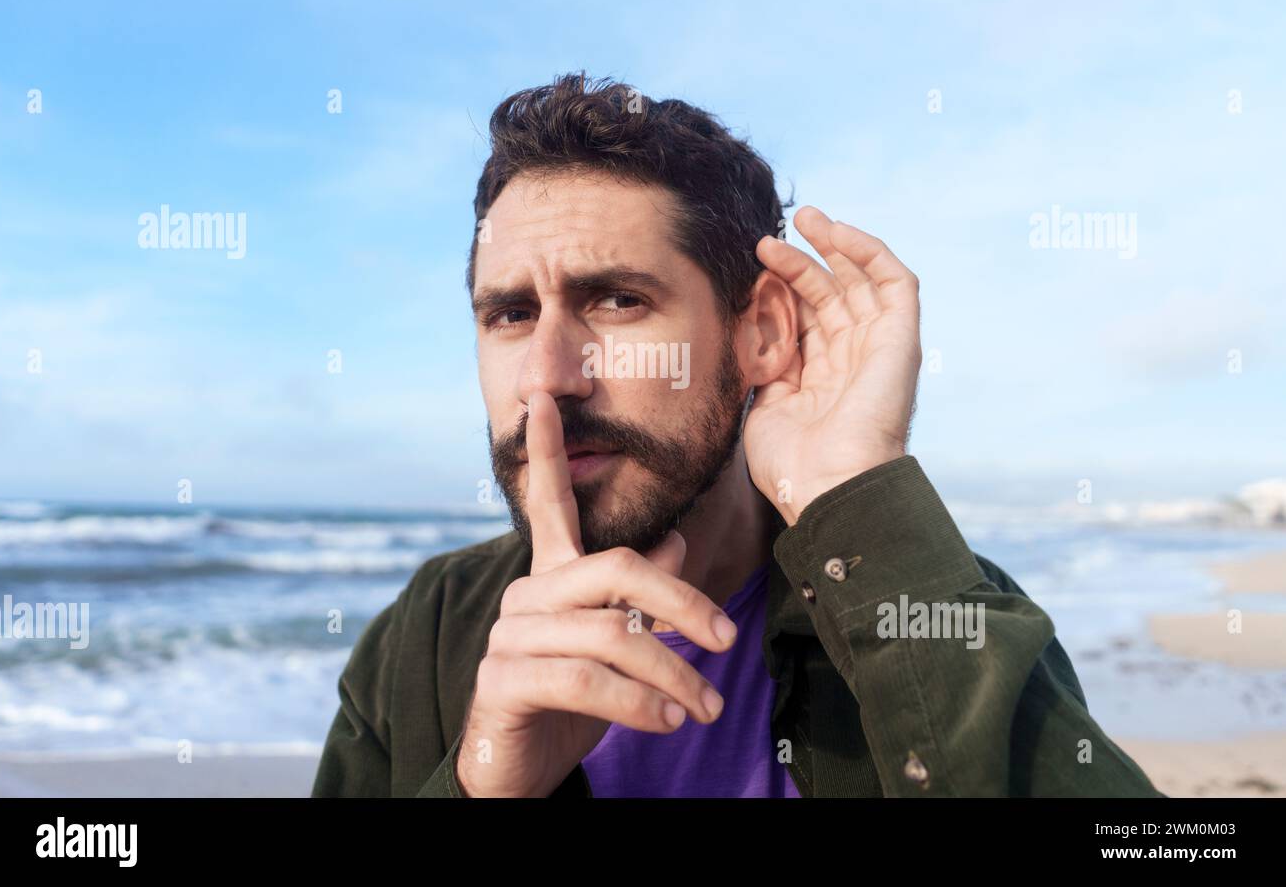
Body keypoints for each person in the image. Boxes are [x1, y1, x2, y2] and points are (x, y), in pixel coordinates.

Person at [311, 73, 1162, 798]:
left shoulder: (919, 604)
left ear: (759, 334)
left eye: (617, 300)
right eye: (510, 314)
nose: (545, 376)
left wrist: (856, 493)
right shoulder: (427, 633)